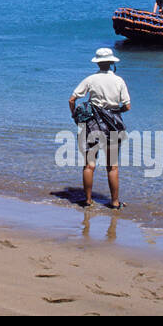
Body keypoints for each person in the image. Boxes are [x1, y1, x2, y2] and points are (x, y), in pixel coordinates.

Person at [68, 48, 131, 209]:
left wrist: (75, 116)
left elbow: (72, 99)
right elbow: (127, 106)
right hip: (113, 124)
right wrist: (115, 112)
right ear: (111, 63)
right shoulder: (119, 81)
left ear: (97, 62)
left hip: (92, 124)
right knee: (112, 166)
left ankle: (88, 200)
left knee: (89, 165)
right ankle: (115, 202)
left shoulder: (90, 79)